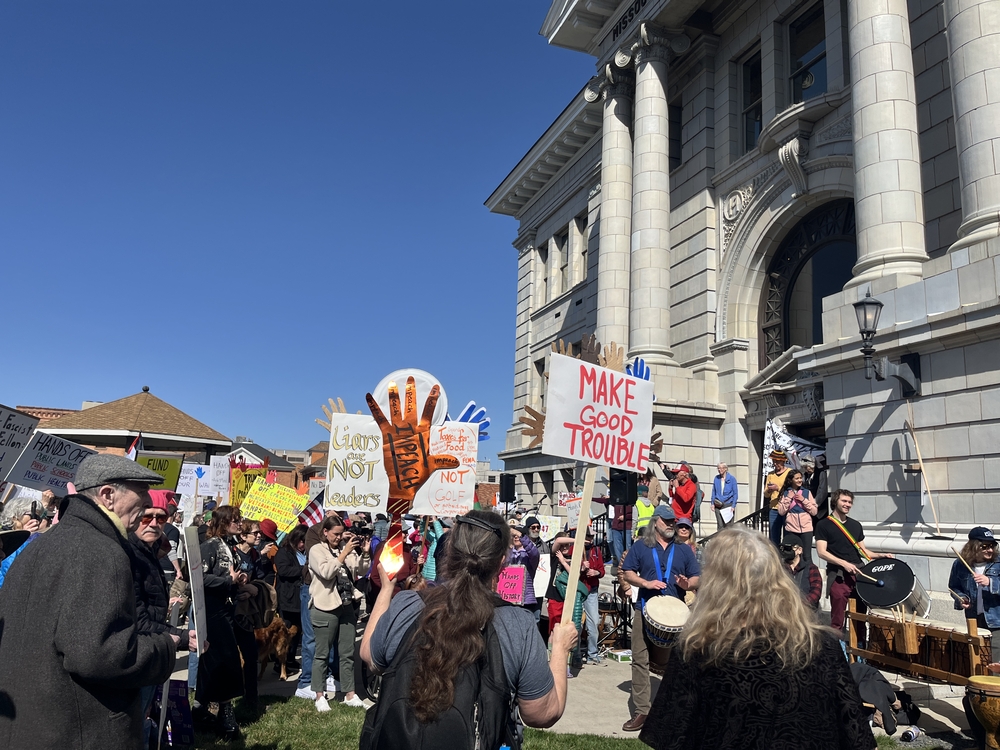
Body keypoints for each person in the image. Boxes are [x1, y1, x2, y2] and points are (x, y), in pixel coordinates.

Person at [639, 525, 874, 750]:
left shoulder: (698, 649)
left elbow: (669, 737)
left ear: (716, 584)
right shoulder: (825, 646)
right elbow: (857, 737)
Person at [0, 454, 177, 750]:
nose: (147, 505)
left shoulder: (42, 545)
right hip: (76, 730)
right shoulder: (100, 551)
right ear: (108, 495)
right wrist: (165, 647)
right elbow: (102, 655)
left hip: (32, 723)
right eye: (141, 493)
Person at [360, 510, 578, 739]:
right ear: (501, 563)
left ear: (450, 552)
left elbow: (370, 656)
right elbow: (543, 713)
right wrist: (560, 649)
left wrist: (386, 590)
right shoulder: (519, 625)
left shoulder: (408, 603)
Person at [621, 504, 700, 732]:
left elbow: (697, 578)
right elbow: (628, 572)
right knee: (639, 659)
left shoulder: (683, 549)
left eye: (673, 521)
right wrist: (645, 583)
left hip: (676, 613)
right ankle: (642, 711)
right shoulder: (641, 547)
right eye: (667, 521)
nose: (671, 524)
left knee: (678, 663)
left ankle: (675, 710)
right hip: (645, 608)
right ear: (656, 521)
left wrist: (688, 584)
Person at [131, 495, 198, 747]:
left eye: (162, 518)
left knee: (145, 718)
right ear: (134, 516)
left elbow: (149, 606)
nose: (154, 523)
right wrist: (179, 637)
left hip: (151, 654)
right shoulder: (129, 554)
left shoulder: (149, 553)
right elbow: (138, 619)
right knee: (134, 727)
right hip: (136, 656)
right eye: (147, 516)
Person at [198, 505, 256, 739]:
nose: (239, 523)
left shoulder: (229, 546)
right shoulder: (209, 546)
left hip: (227, 608)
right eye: (234, 520)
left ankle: (202, 708)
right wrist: (227, 581)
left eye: (239, 519)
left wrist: (238, 580)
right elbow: (199, 577)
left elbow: (228, 575)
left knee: (219, 661)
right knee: (225, 659)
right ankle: (223, 710)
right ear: (222, 522)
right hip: (212, 610)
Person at [815, 489, 892, 638]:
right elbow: (821, 552)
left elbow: (863, 552)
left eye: (850, 502)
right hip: (839, 576)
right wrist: (843, 563)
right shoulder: (823, 525)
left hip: (859, 574)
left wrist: (881, 555)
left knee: (860, 618)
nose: (847, 504)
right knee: (837, 619)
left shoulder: (856, 525)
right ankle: (837, 652)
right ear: (835, 501)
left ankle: (860, 653)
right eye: (844, 501)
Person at [308, 514, 365, 711]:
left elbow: (360, 571)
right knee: (322, 654)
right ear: (325, 532)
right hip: (324, 606)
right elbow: (326, 572)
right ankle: (319, 695)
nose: (339, 538)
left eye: (342, 534)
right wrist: (343, 554)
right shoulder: (316, 550)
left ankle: (349, 693)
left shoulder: (344, 548)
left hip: (346, 604)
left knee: (348, 652)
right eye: (336, 534)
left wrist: (364, 553)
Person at [949, 527, 1000, 667]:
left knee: (996, 662)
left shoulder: (998, 563)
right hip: (974, 618)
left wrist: (990, 582)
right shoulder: (960, 564)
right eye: (985, 546)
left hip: (997, 621)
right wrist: (961, 599)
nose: (990, 550)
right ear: (973, 546)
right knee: (978, 659)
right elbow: (954, 587)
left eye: (992, 546)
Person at [274, 523, 309, 676]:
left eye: (305, 542)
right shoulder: (284, 552)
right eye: (301, 541)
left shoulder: (306, 552)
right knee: (285, 632)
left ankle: (291, 658)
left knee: (297, 632)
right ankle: (280, 662)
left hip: (302, 597)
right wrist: (304, 570)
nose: (303, 545)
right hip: (288, 598)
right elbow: (283, 570)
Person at [776, 469, 818, 565]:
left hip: (806, 529)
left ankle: (809, 576)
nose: (800, 480)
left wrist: (803, 500)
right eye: (797, 478)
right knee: (791, 555)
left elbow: (814, 511)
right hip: (791, 529)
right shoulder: (785, 493)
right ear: (791, 480)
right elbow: (781, 512)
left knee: (806, 556)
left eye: (800, 478)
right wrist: (789, 498)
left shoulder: (807, 492)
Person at [580, 526, 606, 665]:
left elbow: (602, 570)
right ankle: (575, 654)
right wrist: (581, 567)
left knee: (593, 622)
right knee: (577, 623)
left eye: (592, 537)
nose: (591, 539)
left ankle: (592, 653)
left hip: (592, 590)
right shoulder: (575, 549)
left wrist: (596, 572)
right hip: (579, 589)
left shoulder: (596, 550)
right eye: (588, 536)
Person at [508, 523, 542, 621]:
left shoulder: (530, 556)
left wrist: (521, 535)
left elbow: (534, 553)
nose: (516, 538)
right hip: (509, 598)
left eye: (518, 536)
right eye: (514, 536)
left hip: (525, 600)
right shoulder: (508, 554)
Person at [781, 532, 822, 610]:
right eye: (784, 548)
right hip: (784, 614)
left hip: (806, 613)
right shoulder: (780, 569)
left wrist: (800, 605)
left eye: (789, 548)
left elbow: (816, 593)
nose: (786, 551)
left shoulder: (811, 569)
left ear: (799, 550)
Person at [765, 450, 791, 545]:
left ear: (783, 461)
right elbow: (766, 495)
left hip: (786, 508)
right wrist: (769, 490)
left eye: (778, 461)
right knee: (773, 536)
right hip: (774, 509)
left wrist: (778, 488)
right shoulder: (770, 474)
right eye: (774, 461)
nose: (775, 463)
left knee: (787, 534)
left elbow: (791, 490)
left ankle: (786, 556)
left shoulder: (789, 473)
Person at [711, 462, 738, 527]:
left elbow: (735, 493)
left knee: (728, 526)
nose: (720, 470)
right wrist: (712, 503)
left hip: (728, 505)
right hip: (718, 504)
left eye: (721, 468)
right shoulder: (716, 478)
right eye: (718, 468)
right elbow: (713, 491)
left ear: (726, 469)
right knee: (720, 526)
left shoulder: (732, 479)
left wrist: (733, 505)